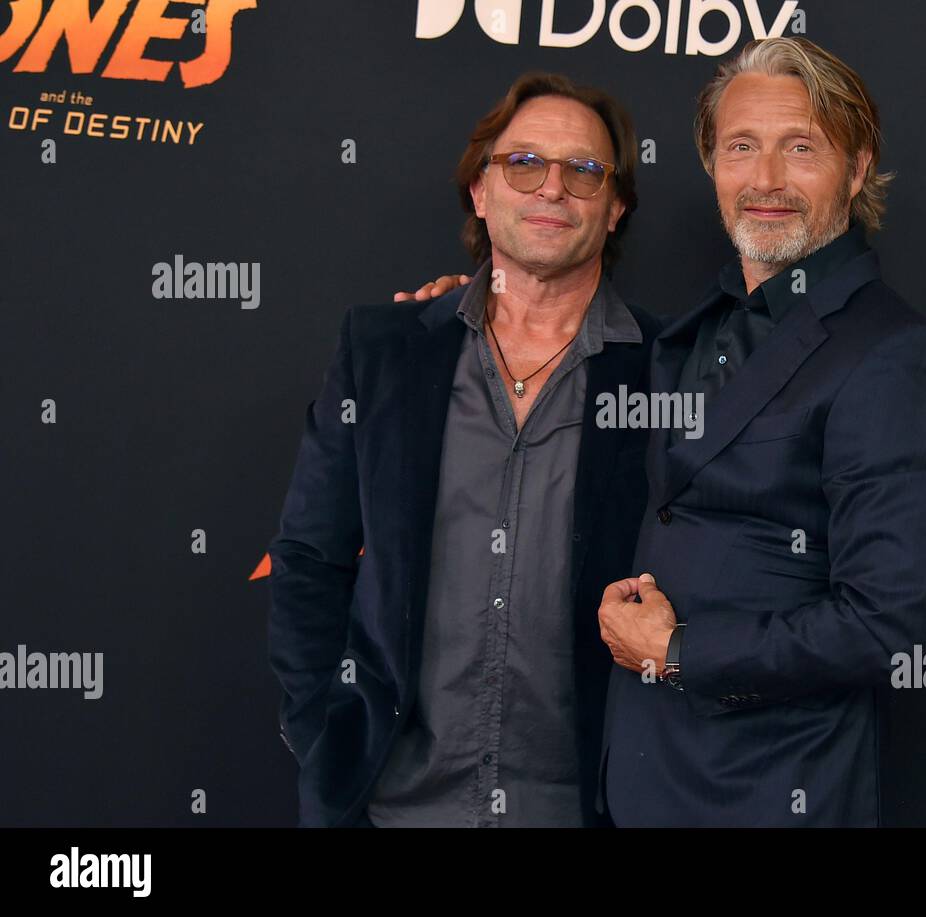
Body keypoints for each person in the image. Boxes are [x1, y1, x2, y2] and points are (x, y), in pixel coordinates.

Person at [593, 37, 926, 826]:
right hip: (641, 779)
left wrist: (678, 654)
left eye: (801, 147)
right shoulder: (696, 329)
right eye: (741, 148)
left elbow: (884, 624)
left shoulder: (892, 356)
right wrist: (490, 312)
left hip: (770, 794)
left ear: (857, 168)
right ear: (711, 165)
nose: (765, 180)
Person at [268, 71, 658, 828]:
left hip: (587, 810)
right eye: (523, 163)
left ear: (614, 208)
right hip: (393, 806)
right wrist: (323, 735)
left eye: (584, 170)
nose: (552, 188)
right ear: (480, 191)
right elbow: (310, 559)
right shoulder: (383, 352)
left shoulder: (672, 369)